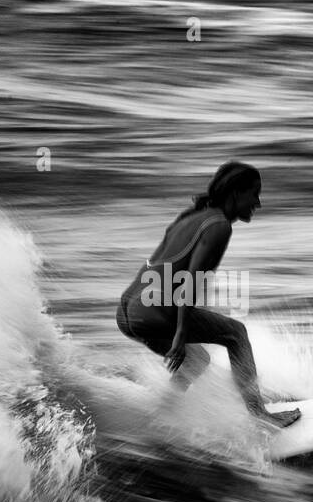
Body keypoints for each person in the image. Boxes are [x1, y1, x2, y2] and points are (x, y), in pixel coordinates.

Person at [116, 161, 301, 428]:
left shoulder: (191, 216)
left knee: (198, 359)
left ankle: (161, 415)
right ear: (236, 193)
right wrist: (180, 336)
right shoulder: (218, 226)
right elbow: (190, 280)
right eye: (254, 193)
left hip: (128, 311)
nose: (258, 203)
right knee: (236, 334)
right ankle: (260, 415)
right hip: (152, 310)